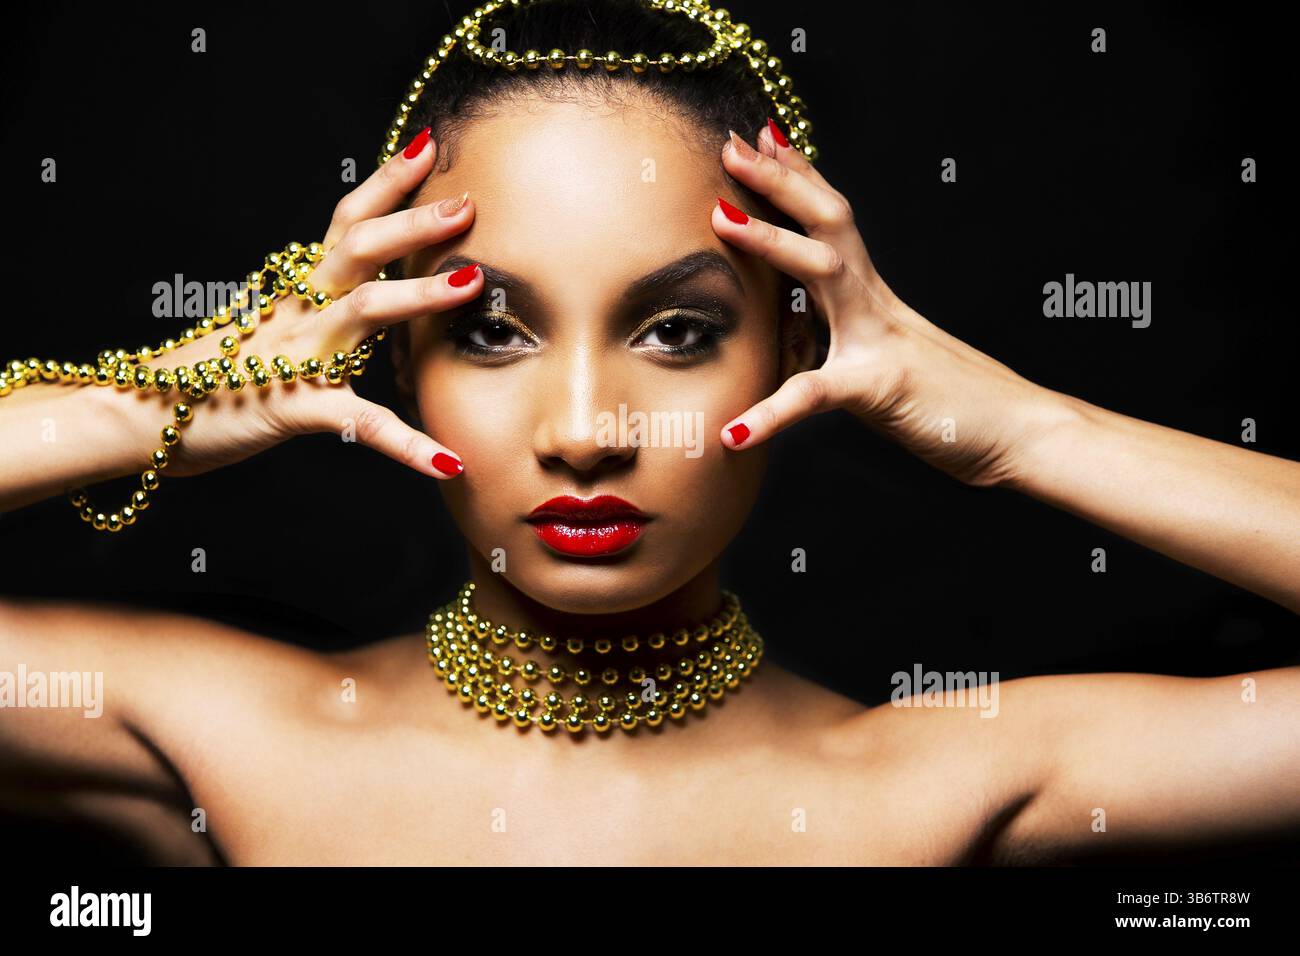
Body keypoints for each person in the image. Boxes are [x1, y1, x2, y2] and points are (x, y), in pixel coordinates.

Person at [1, 0, 1297, 865]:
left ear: (805, 349)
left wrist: (1026, 429)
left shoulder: (944, 781)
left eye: (677, 331)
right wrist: (172, 394)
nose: (584, 430)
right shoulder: (220, 737)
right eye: (492, 330)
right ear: (389, 353)